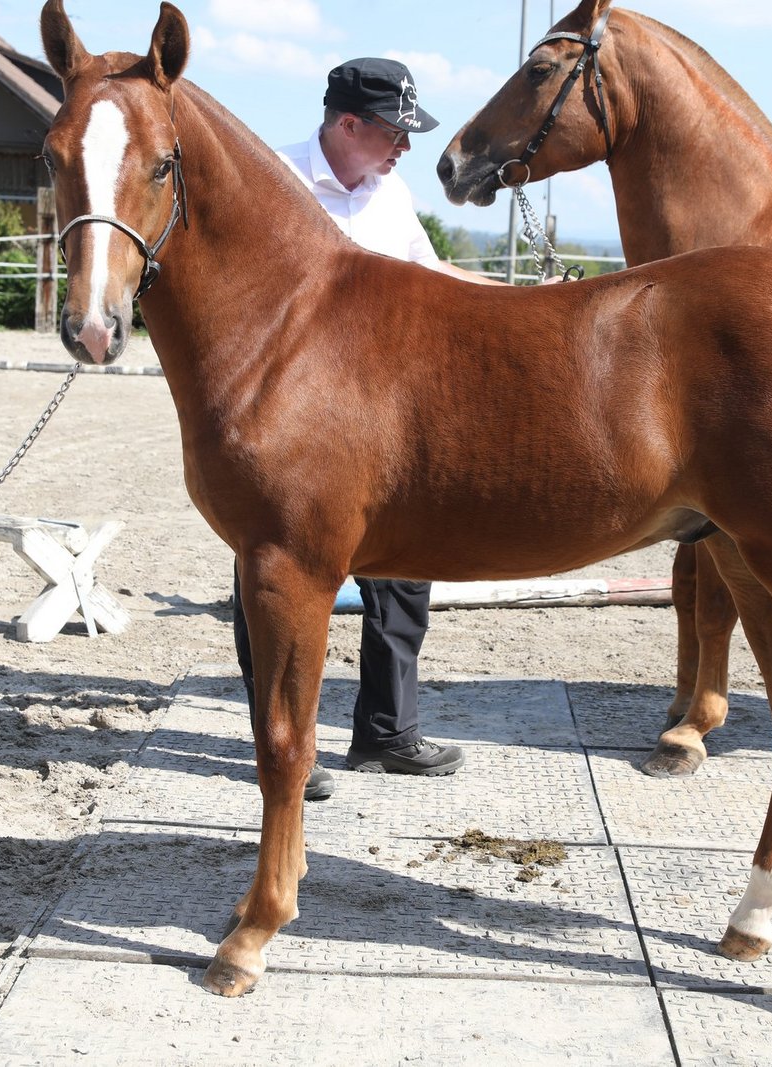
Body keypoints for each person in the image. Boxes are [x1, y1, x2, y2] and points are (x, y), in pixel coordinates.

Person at [236, 57, 504, 802]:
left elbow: (433, 276)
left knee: (403, 573)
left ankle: (386, 730)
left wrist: (521, 301)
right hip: (294, 421)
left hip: (381, 419)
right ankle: (286, 740)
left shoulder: (391, 193)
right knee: (277, 579)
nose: (405, 148)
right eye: (394, 132)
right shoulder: (271, 181)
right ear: (347, 125)